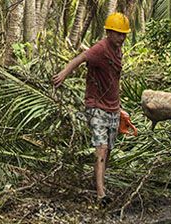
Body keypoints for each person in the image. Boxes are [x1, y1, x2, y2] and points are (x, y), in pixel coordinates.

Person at [51, 12, 130, 205]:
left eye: (124, 35)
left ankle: (99, 183)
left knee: (108, 149)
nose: (122, 38)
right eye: (119, 34)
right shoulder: (100, 49)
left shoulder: (118, 50)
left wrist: (120, 108)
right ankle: (101, 194)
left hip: (112, 107)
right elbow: (80, 58)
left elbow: (114, 81)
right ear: (109, 32)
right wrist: (63, 74)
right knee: (101, 148)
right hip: (96, 106)